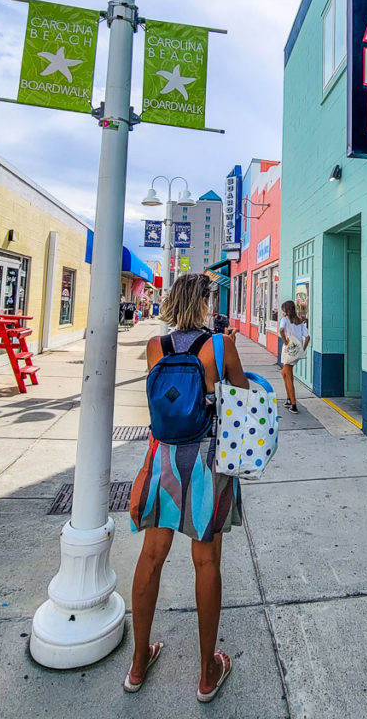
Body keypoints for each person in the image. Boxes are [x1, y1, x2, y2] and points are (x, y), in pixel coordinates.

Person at [125, 273, 250, 699]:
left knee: (152, 556)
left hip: (163, 460)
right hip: (205, 464)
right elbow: (243, 399)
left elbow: (162, 408)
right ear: (203, 304)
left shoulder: (155, 347)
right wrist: (226, 353)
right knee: (206, 562)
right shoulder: (221, 345)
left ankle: (139, 664)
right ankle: (206, 673)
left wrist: (144, 471)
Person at [279, 300, 309, 413]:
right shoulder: (299, 322)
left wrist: (285, 341)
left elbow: (281, 330)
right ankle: (288, 399)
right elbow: (307, 337)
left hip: (288, 351)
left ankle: (293, 404)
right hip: (296, 351)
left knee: (289, 377)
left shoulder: (284, 320)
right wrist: (302, 349)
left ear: (286, 310)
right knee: (284, 373)